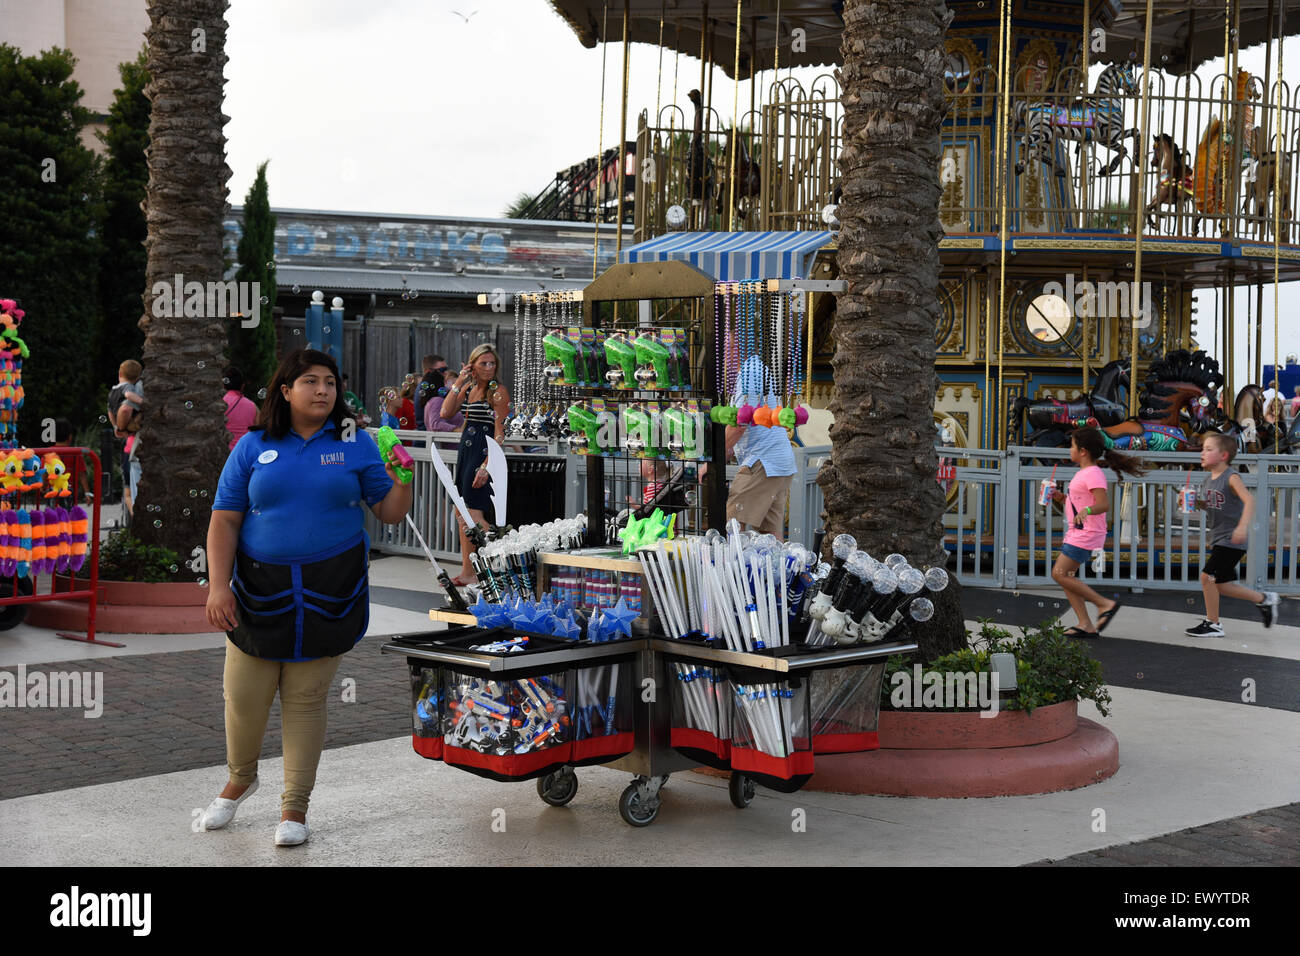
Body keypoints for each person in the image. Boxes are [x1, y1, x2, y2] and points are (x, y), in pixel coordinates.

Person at [202, 348, 413, 847]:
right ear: (284, 390)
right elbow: (224, 520)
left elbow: (388, 512)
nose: (323, 391)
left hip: (330, 590)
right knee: (244, 696)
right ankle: (241, 776)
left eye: (330, 383)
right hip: (258, 591)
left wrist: (403, 478)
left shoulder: (356, 443)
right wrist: (217, 585)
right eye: (311, 382)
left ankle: (294, 807)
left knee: (305, 700)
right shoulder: (253, 446)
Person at [1048, 427, 1147, 638]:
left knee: (1059, 574)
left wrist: (1087, 510)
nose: (1070, 450)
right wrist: (1062, 498)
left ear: (1083, 451)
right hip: (1080, 531)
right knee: (1067, 576)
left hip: (1087, 532)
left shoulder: (1093, 473)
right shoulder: (1086, 473)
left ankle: (1104, 604)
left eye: (1072, 446)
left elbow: (1103, 504)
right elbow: (1081, 501)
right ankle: (1085, 624)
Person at [1185, 433, 1281, 637]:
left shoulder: (1231, 477)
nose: (1202, 452)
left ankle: (1213, 624)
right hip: (1220, 538)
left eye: (1209, 449)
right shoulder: (1207, 480)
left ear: (1224, 455)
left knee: (1207, 577)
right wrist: (1196, 504)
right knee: (1223, 585)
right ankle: (1265, 599)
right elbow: (1214, 506)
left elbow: (1249, 501)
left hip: (1231, 539)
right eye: (1203, 449)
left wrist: (1241, 527)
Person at [701, 355, 795, 539]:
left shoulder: (749, 372)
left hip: (762, 460)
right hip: (778, 460)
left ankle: (730, 566)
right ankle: (777, 566)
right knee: (771, 535)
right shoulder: (757, 368)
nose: (723, 354)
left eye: (726, 344)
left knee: (731, 524)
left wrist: (713, 460)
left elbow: (739, 424)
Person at [440, 343, 510, 586]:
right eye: (483, 363)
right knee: (460, 511)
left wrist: (486, 465)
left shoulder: (498, 391)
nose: (489, 368)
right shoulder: (468, 387)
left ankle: (505, 553)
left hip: (483, 453)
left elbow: (501, 433)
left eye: (492, 363)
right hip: (466, 451)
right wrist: (459, 380)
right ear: (473, 365)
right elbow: (445, 412)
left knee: (473, 513)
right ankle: (468, 571)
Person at [108, 360, 145, 519]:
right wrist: (144, 403)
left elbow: (110, 410)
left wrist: (116, 427)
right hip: (128, 422)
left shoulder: (112, 390)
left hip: (118, 423)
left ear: (119, 374)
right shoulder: (128, 388)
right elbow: (128, 402)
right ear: (137, 377)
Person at [221, 366, 259, 451]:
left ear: (223, 385)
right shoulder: (252, 406)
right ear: (242, 385)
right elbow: (260, 431)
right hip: (246, 453)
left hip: (225, 453)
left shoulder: (220, 405)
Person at [422, 366, 463, 432]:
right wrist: (458, 430)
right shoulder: (437, 400)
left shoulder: (436, 400)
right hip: (447, 441)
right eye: (444, 381)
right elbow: (436, 424)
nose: (446, 384)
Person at [415, 354, 448, 426]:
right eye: (442, 370)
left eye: (446, 369)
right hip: (428, 433)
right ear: (428, 371)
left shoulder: (425, 386)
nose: (446, 373)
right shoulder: (426, 388)